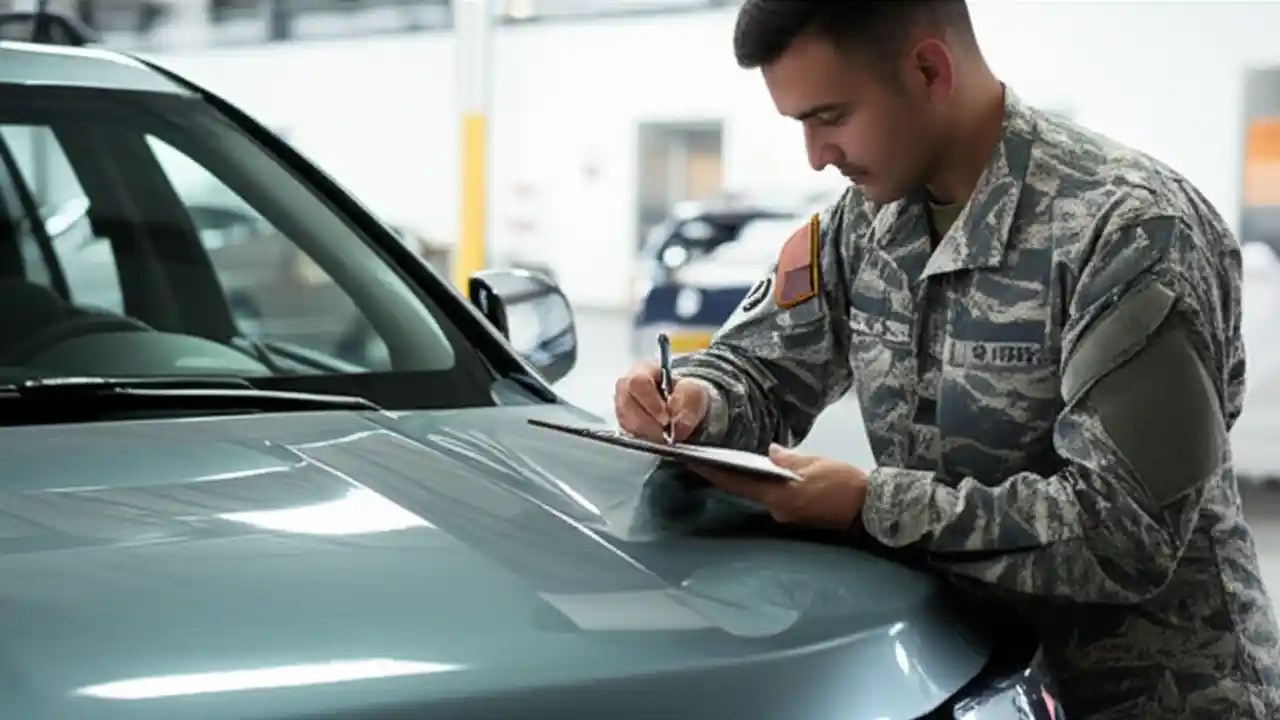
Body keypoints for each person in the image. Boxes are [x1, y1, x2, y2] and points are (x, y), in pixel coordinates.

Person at [613, 1, 1280, 717]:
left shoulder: (1130, 231)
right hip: (959, 680)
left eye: (830, 116)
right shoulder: (863, 222)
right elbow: (762, 371)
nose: (815, 154)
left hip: (1154, 698)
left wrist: (870, 506)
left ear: (929, 69)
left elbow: (1124, 533)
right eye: (800, 123)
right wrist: (696, 400)